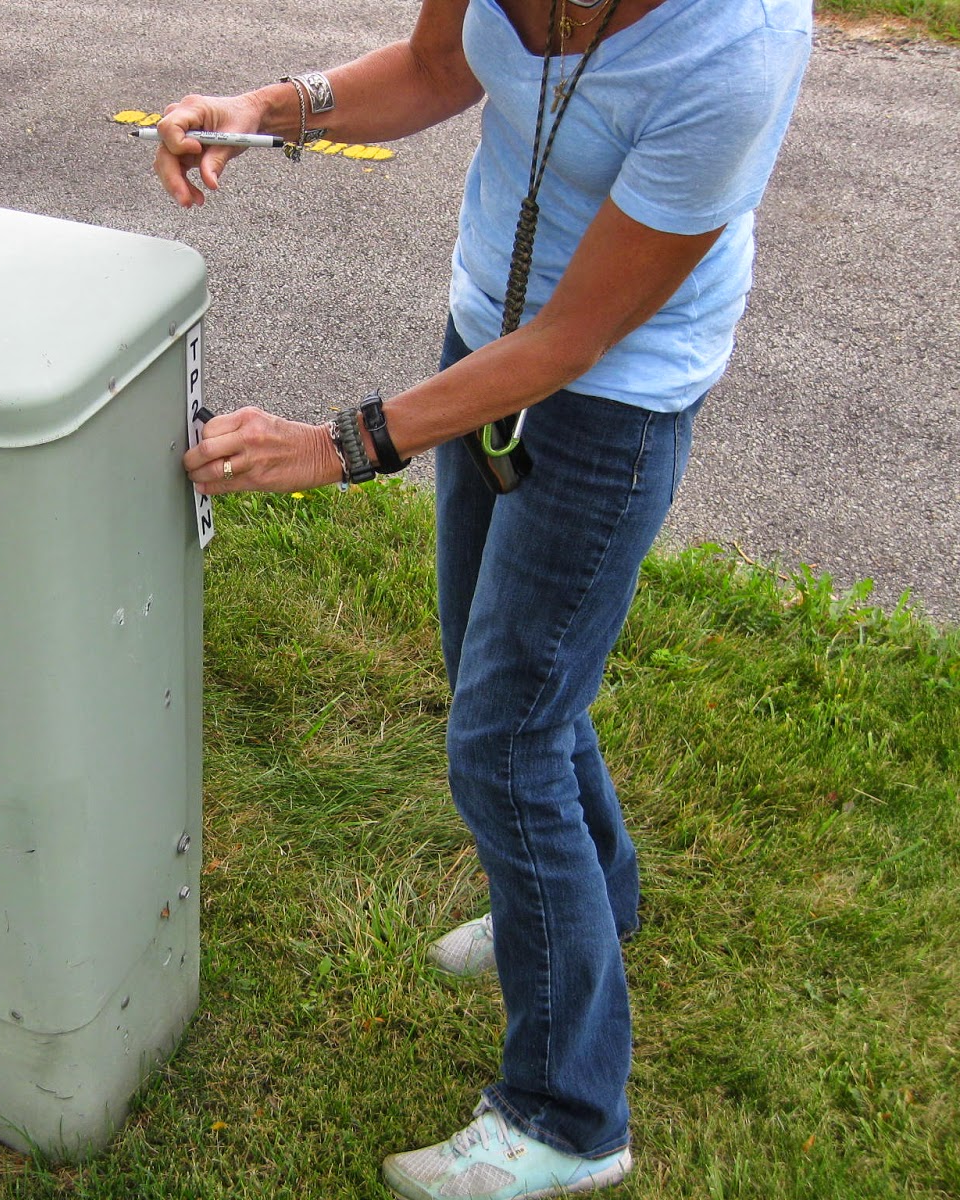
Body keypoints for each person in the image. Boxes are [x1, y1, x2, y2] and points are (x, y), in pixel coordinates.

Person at [149, 1, 811, 1197]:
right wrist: (268, 109)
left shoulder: (737, 45)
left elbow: (572, 341)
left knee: (504, 743)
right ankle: (588, 909)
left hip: (613, 398)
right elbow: (434, 66)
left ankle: (568, 1121)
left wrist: (342, 443)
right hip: (479, 341)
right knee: (506, 685)